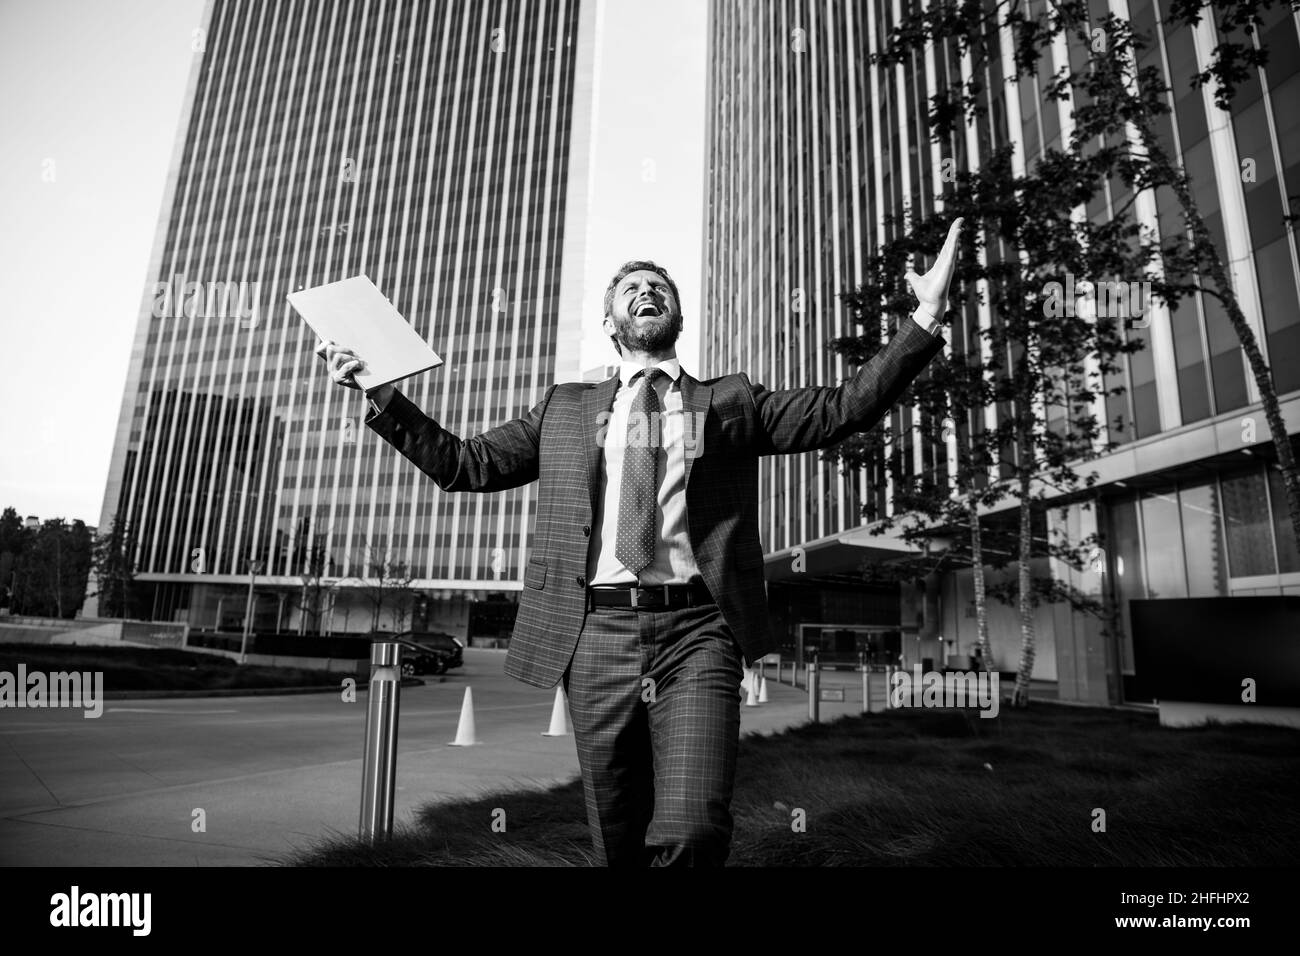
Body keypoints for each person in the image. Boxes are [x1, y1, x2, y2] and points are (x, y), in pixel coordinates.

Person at [322, 217, 964, 865]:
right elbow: (466, 465)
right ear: (610, 320)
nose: (646, 291)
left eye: (658, 284)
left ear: (676, 313)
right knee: (618, 837)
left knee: (692, 828)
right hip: (595, 636)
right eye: (631, 287)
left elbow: (841, 408)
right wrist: (382, 397)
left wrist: (925, 316)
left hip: (698, 635)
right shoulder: (565, 407)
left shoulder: (729, 400)